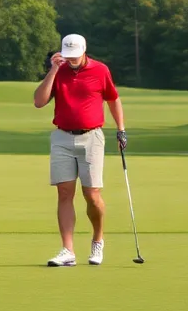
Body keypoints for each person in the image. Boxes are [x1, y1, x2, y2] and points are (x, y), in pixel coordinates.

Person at [32, 33, 126, 268]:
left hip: (92, 137)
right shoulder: (59, 70)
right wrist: (53, 70)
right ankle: (68, 250)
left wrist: (121, 130)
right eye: (67, 56)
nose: (71, 60)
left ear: (84, 51)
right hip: (62, 137)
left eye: (75, 56)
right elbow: (39, 101)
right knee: (64, 193)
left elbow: (113, 99)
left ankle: (97, 240)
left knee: (92, 195)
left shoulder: (100, 70)